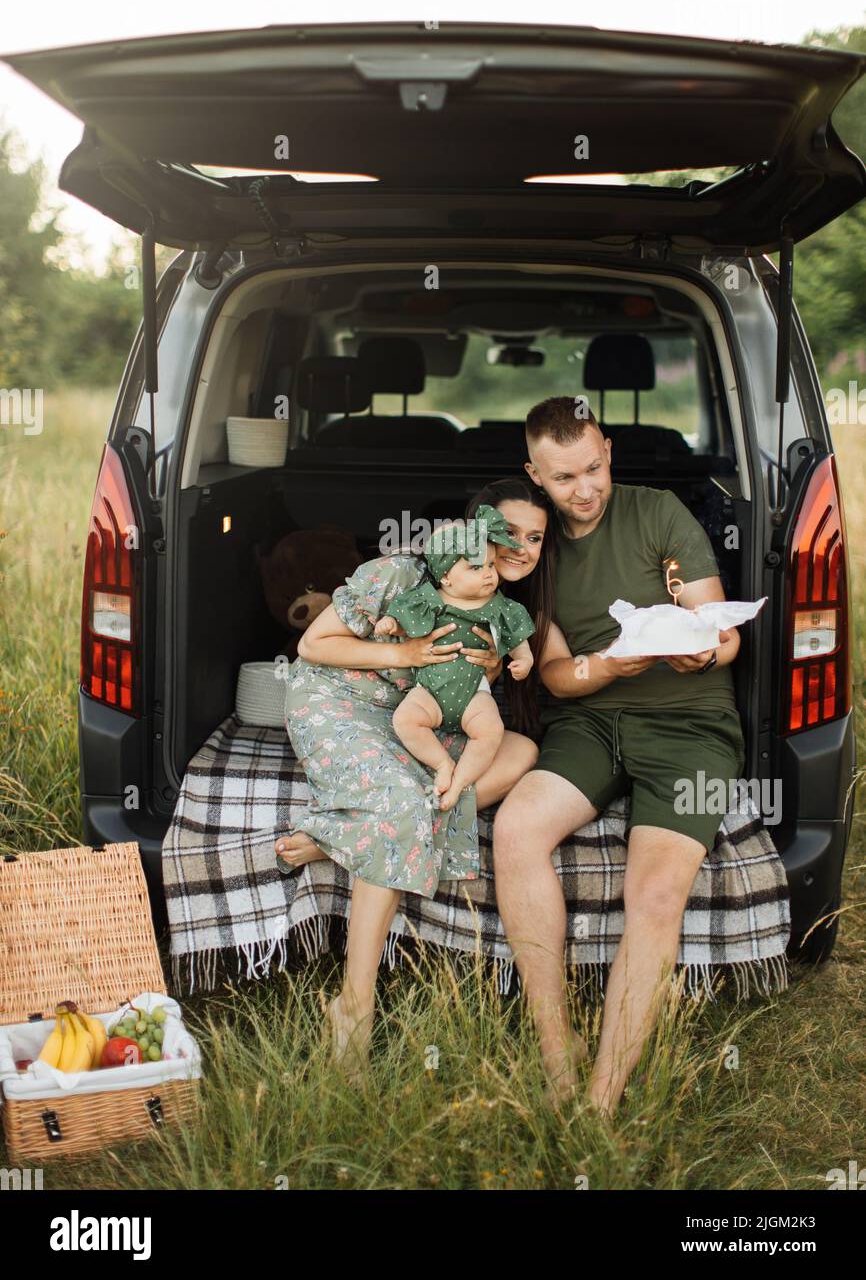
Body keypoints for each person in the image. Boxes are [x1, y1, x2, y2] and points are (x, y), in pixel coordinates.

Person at [493, 397, 744, 1117]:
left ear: (608, 449)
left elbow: (722, 632)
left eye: (595, 467)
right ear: (534, 474)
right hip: (591, 721)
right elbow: (555, 675)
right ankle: (557, 1056)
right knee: (515, 832)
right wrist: (606, 669)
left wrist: (704, 649)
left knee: (658, 894)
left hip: (692, 727)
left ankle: (600, 1101)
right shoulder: (531, 545)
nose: (586, 488)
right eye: (565, 476)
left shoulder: (659, 511)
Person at [273, 479, 553, 1078]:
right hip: (339, 700)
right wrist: (407, 653)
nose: (519, 548)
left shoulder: (494, 605)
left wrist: (498, 666)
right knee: (404, 802)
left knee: (520, 749)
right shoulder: (400, 574)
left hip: (412, 722)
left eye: (533, 538)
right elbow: (313, 644)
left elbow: (458, 704)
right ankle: (353, 1006)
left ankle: (337, 835)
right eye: (508, 532)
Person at [374, 504, 535, 810]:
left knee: (491, 732)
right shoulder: (429, 600)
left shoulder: (499, 606)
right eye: (475, 568)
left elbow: (517, 637)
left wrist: (524, 660)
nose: (488, 575)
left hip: (474, 692)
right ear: (445, 577)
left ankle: (460, 781)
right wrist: (390, 624)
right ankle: (442, 763)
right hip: (429, 691)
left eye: (490, 565)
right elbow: (403, 619)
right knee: (405, 720)